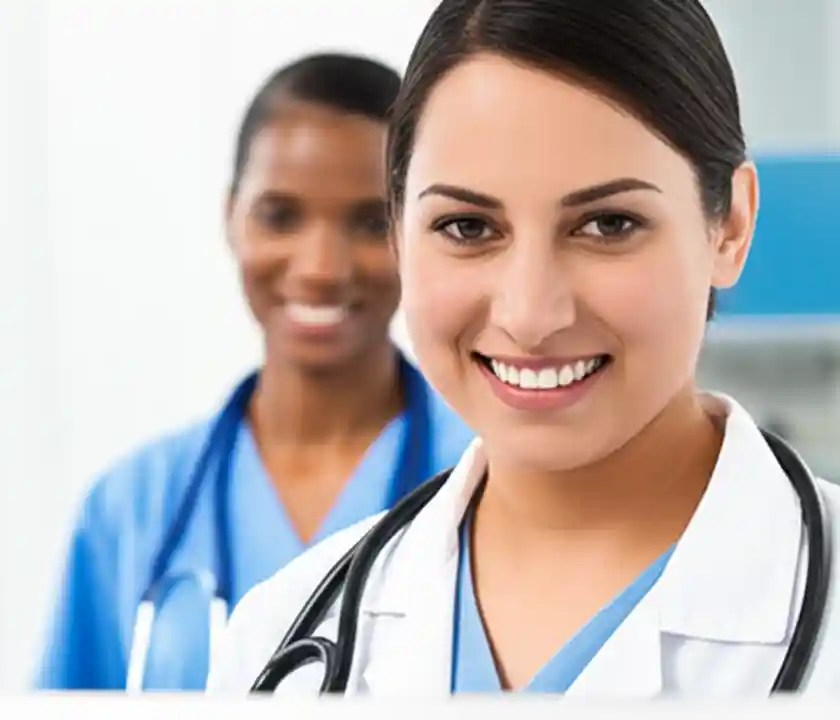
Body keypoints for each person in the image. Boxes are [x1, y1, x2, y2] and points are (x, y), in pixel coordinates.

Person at [206, 0, 840, 698]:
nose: (531, 314)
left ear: (730, 227)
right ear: (398, 234)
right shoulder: (275, 641)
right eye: (469, 227)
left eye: (608, 223)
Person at [34, 53, 475, 691]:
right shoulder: (132, 508)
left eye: (371, 221)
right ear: (231, 217)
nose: (322, 266)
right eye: (281, 215)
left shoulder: (492, 485)